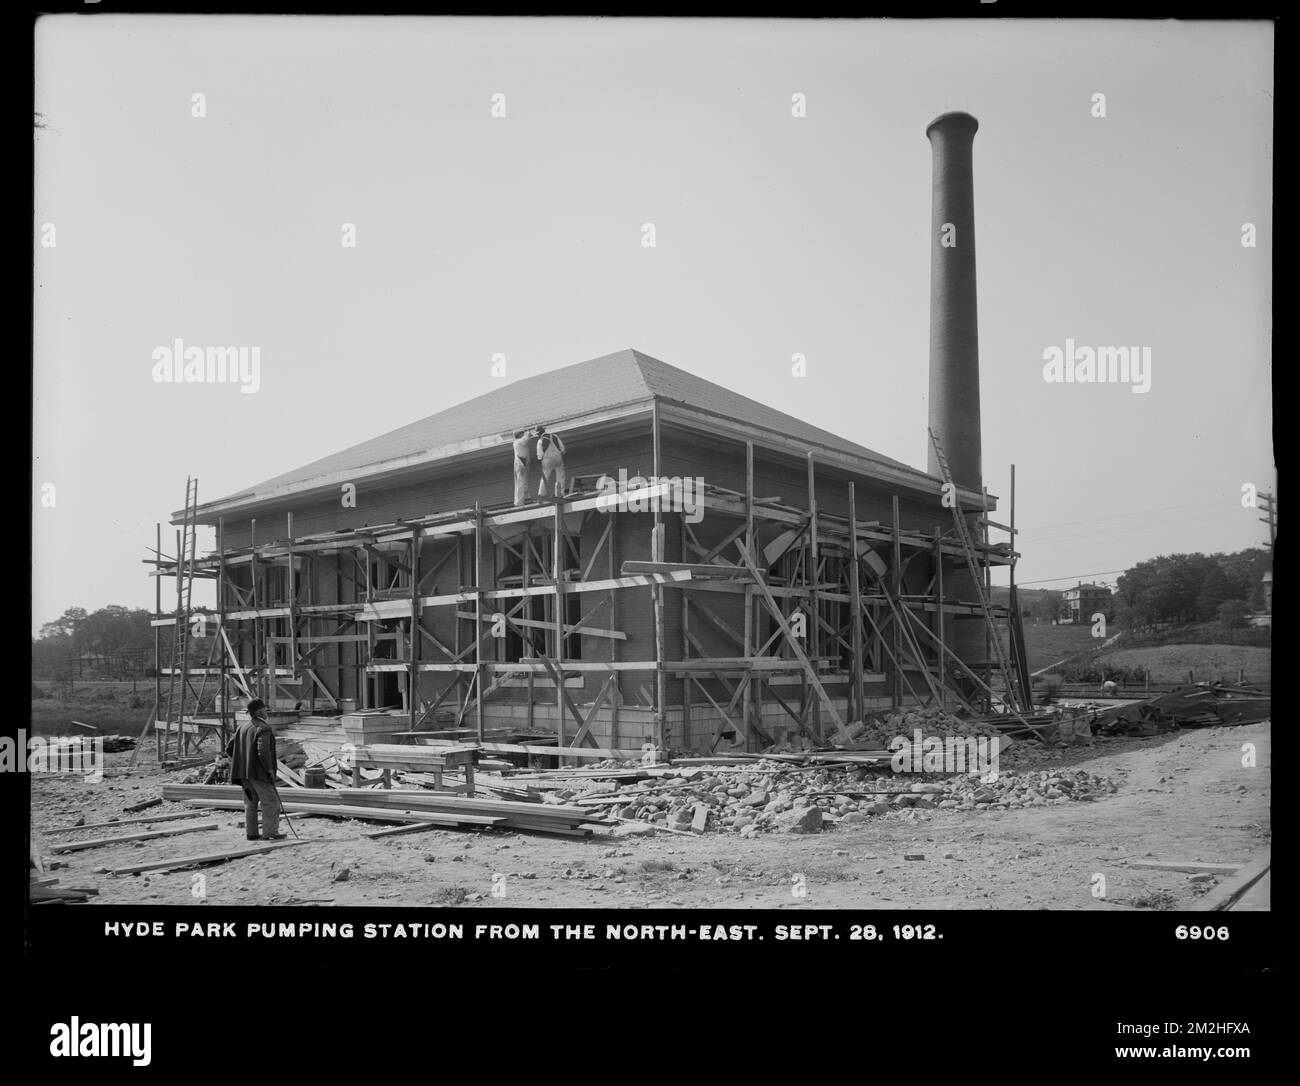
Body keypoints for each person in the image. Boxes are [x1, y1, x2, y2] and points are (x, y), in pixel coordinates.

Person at [224, 698, 283, 840]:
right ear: (260, 711)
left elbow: (229, 748)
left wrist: (243, 761)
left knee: (250, 804)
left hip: (244, 774)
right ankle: (270, 833)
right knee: (271, 803)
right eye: (265, 710)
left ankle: (251, 833)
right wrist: (269, 769)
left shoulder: (242, 728)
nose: (266, 712)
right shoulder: (263, 728)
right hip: (259, 774)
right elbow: (263, 751)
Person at [535, 425, 567, 498]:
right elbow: (562, 448)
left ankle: (542, 494)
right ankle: (561, 493)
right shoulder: (555, 436)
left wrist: (541, 460)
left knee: (545, 476)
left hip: (547, 459)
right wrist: (561, 453)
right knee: (560, 475)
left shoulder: (540, 441)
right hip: (558, 457)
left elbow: (539, 455)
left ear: (539, 434)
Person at [512, 429, 532, 506]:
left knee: (522, 482)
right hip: (521, 464)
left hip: (521, 463)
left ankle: (521, 499)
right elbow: (527, 438)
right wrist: (527, 432)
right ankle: (519, 502)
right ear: (519, 435)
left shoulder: (517, 442)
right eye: (522, 434)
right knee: (520, 483)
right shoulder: (518, 442)